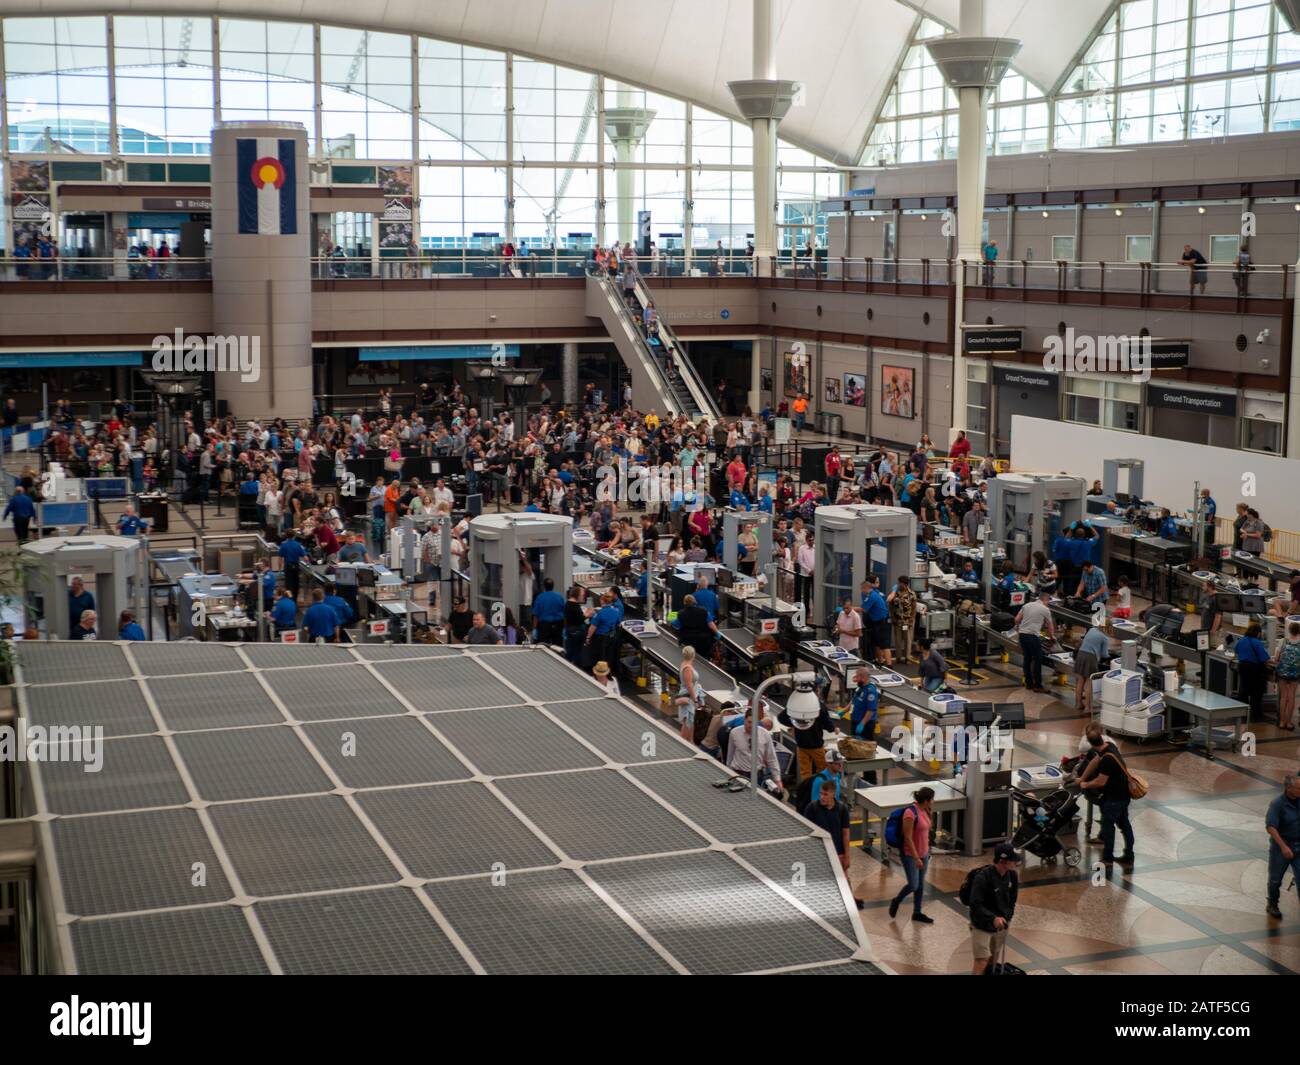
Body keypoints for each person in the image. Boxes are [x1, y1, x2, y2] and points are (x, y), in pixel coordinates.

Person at [1077, 729, 1135, 867]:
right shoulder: (1109, 747)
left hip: (1114, 799)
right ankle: (1129, 856)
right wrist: (1082, 778)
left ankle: (1108, 858)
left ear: (1091, 744)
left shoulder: (1108, 759)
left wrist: (1085, 784)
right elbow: (1094, 762)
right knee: (1125, 825)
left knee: (1109, 827)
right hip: (1123, 795)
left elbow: (1100, 781)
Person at [968, 843, 1022, 974]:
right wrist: (993, 918)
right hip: (982, 924)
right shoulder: (983, 877)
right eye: (1013, 859)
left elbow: (1012, 900)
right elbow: (975, 904)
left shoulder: (1012, 876)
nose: (1016, 862)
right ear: (1002, 860)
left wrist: (1008, 917)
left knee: (994, 957)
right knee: (982, 959)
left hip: (1001, 924)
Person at [802, 779, 858, 905]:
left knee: (844, 880)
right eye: (821, 793)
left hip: (838, 852)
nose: (822, 797)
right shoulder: (812, 808)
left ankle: (850, 903)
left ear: (833, 794)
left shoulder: (842, 809)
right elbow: (806, 832)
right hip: (819, 854)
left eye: (825, 794)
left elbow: (845, 833)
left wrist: (847, 856)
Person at [888, 787, 935, 924]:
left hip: (924, 853)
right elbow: (908, 837)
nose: (933, 801)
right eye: (932, 799)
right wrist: (916, 857)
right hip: (910, 854)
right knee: (914, 885)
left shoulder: (926, 810)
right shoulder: (910, 813)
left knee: (920, 885)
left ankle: (917, 912)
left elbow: (925, 831)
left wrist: (926, 852)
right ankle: (896, 901)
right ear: (926, 800)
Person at [777, 690, 834, 783]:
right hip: (816, 746)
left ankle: (806, 792)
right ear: (816, 692)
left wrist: (793, 724)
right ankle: (820, 791)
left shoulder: (796, 705)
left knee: (805, 774)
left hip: (801, 745)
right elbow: (828, 725)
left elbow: (781, 718)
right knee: (823, 771)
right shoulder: (819, 706)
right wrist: (832, 728)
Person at [1265, 775, 1300, 919]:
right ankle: (1272, 903)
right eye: (1299, 788)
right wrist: (1283, 846)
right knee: (1275, 879)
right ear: (1288, 788)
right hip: (1282, 847)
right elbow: (1271, 827)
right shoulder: (1277, 804)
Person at [1014, 589, 1056, 693]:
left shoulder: (1027, 605)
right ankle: (1038, 685)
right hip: (1033, 637)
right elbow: (1050, 626)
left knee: (1027, 659)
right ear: (1045, 600)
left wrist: (1019, 627)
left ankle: (1029, 684)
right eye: (1048, 602)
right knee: (1037, 660)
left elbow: (1017, 619)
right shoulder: (1045, 610)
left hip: (1022, 635)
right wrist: (1052, 637)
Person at [1234, 622, 1270, 719]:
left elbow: (1236, 650)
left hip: (1242, 667)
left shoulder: (1242, 640)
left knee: (1244, 690)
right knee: (1257, 692)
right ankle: (1256, 715)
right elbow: (1264, 658)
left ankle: (1242, 714)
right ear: (1258, 633)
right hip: (1254, 669)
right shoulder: (1257, 643)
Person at [1074, 622, 1110, 712]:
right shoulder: (1104, 637)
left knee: (1080, 681)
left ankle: (1078, 704)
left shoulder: (1092, 630)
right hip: (1090, 658)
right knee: (1089, 682)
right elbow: (1104, 654)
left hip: (1080, 654)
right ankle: (1087, 707)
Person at [1272, 620, 1300, 731]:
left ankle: (1282, 722)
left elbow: (1276, 657)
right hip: (1295, 672)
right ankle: (1289, 722)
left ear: (1289, 630)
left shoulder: (1283, 641)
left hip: (1282, 672)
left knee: (1283, 697)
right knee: (1291, 696)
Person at [675, 645, 704, 741]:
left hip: (690, 695)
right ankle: (684, 743)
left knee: (689, 722)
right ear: (693, 655)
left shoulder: (685, 664)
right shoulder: (687, 668)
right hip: (689, 697)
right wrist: (695, 700)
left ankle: (687, 742)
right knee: (688, 722)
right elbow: (689, 685)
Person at [887, 575, 917, 664]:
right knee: (898, 640)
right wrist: (892, 617)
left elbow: (914, 607)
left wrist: (912, 619)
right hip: (897, 620)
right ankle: (898, 657)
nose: (898, 584)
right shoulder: (895, 593)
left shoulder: (912, 594)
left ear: (904, 584)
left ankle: (907, 657)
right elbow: (890, 605)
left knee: (908, 640)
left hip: (908, 621)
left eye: (899, 583)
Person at [532, 577, 566, 646]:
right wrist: (565, 627)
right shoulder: (559, 596)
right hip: (558, 625)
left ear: (544, 586)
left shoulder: (540, 597)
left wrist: (534, 629)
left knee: (544, 646)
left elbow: (536, 615)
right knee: (558, 646)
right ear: (553, 586)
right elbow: (565, 613)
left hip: (545, 626)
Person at [563, 585, 588, 664]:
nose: (583, 597)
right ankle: (577, 667)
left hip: (569, 630)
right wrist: (587, 614)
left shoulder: (568, 603)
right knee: (578, 652)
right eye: (582, 595)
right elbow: (579, 619)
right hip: (576, 631)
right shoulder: (574, 606)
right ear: (577, 595)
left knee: (570, 651)